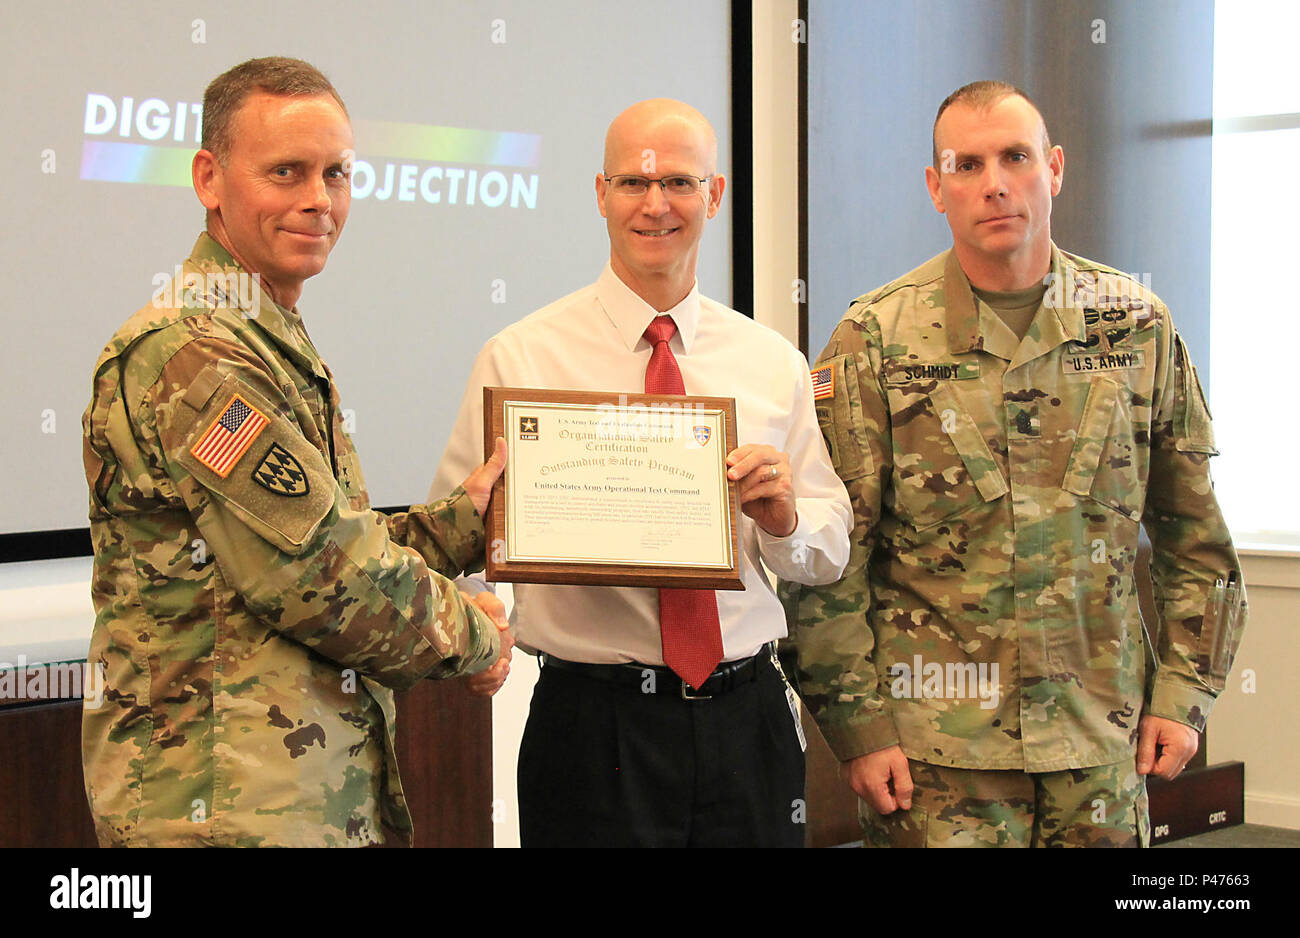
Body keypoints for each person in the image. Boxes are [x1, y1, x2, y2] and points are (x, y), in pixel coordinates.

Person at [784, 80, 1247, 847]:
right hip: (938, 761)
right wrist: (857, 727)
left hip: (1101, 746)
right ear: (937, 187)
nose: (994, 183)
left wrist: (1183, 692)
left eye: (1015, 157)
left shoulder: (1135, 329)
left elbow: (1195, 536)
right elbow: (830, 562)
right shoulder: (875, 340)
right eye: (966, 164)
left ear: (1054, 168)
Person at [81, 57, 509, 847]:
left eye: (336, 173)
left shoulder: (261, 331)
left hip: (291, 799)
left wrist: (466, 524)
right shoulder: (194, 352)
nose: (319, 199)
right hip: (221, 811)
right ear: (210, 178)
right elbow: (318, 575)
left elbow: (324, 535)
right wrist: (471, 634)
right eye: (287, 171)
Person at [430, 99, 853, 847]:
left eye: (680, 184)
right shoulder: (521, 359)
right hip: (592, 731)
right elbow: (455, 540)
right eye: (632, 183)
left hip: (745, 718)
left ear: (715, 195)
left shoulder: (771, 361)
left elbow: (829, 548)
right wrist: (480, 626)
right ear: (601, 194)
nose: (655, 204)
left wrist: (785, 520)